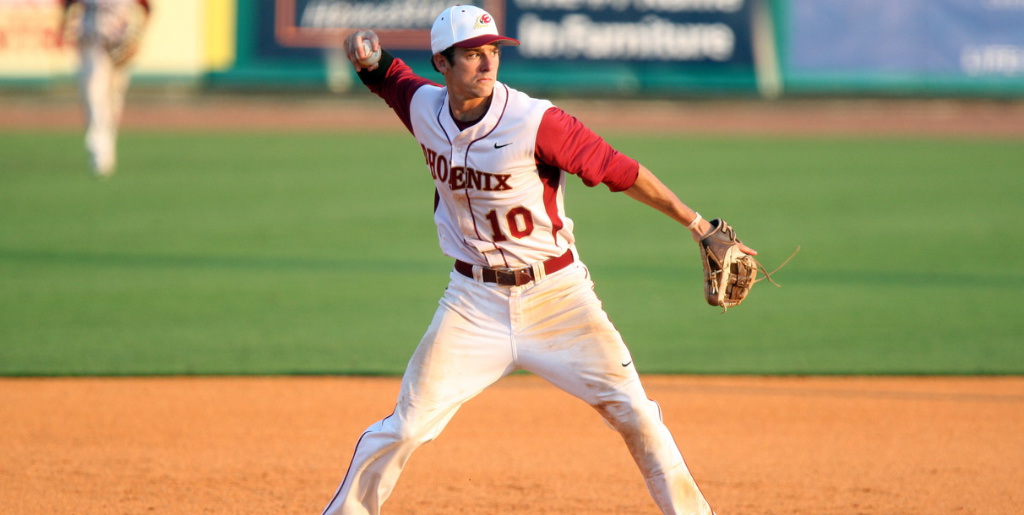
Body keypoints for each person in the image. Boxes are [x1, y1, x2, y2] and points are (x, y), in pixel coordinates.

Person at [323, 5, 757, 514]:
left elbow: (621, 170)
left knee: (637, 414)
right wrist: (367, 60)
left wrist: (699, 225)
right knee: (407, 425)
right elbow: (390, 79)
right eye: (472, 55)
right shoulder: (423, 107)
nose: (487, 64)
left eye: (493, 52)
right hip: (472, 303)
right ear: (442, 63)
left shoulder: (535, 121)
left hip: (558, 299)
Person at [60, 0, 151, 178]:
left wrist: (139, 37)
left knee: (114, 98)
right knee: (94, 95)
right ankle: (99, 150)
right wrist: (64, 24)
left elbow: (147, 8)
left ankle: (107, 146)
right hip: (93, 43)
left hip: (120, 43)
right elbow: (67, 3)